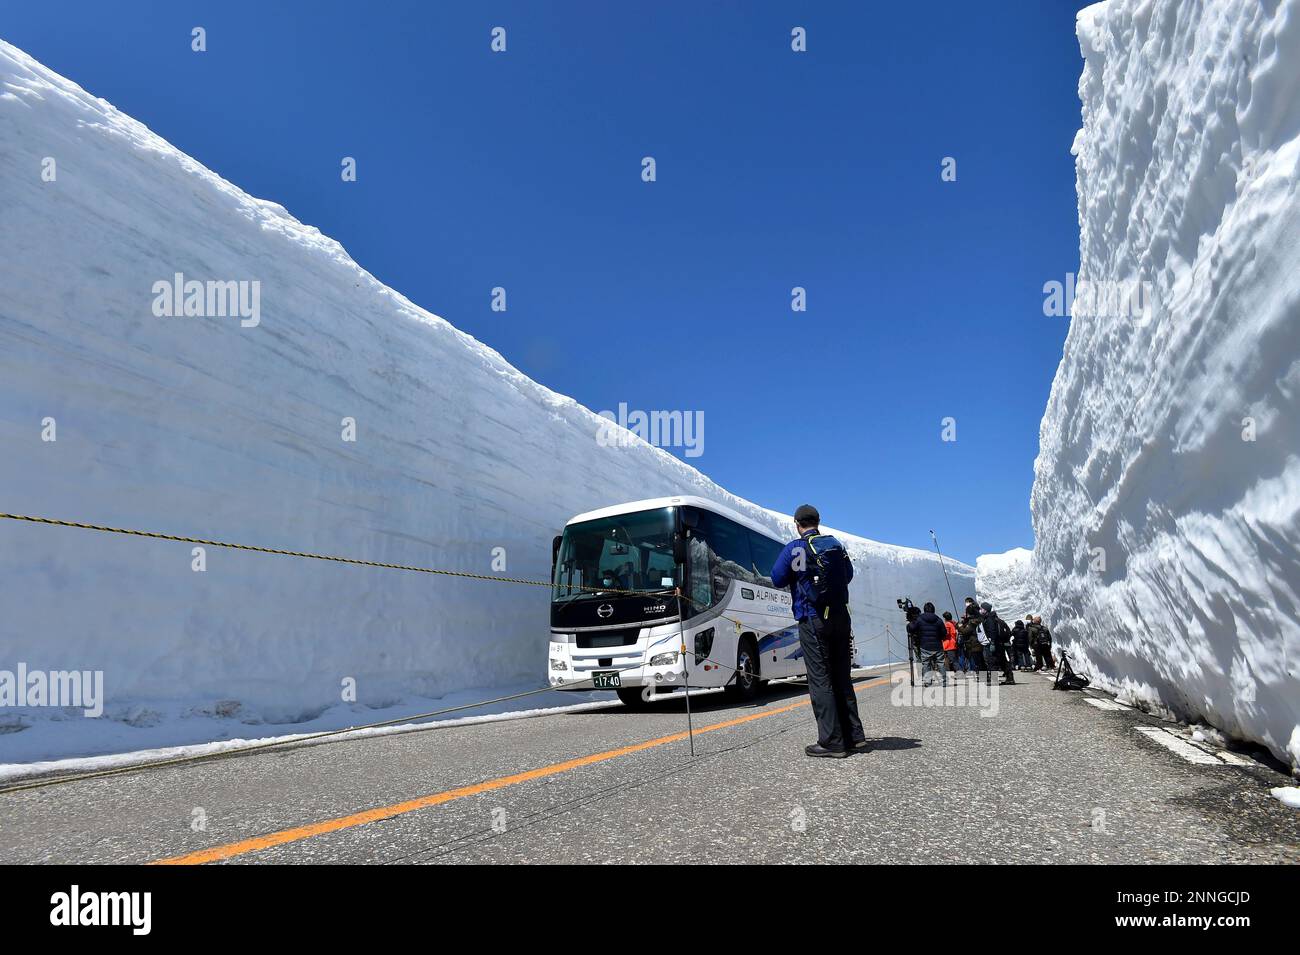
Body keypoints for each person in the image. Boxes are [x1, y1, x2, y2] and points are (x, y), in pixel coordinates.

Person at [771, 504, 865, 759]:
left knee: (820, 678)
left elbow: (777, 578)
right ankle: (854, 736)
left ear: (796, 523)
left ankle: (832, 741)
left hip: (813, 619)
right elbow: (848, 575)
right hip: (840, 617)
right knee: (842, 676)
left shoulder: (796, 548)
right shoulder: (835, 545)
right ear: (818, 521)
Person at [907, 602, 950, 687]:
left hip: (925, 646)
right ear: (933, 610)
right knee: (941, 663)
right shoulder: (938, 619)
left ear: (924, 610)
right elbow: (944, 633)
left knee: (926, 663)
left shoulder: (920, 619)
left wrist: (910, 623)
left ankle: (927, 681)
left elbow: (911, 628)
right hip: (937, 645)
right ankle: (944, 681)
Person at [981, 601, 1015, 685]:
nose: (980, 610)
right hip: (1000, 644)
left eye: (981, 608)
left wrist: (992, 642)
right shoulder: (997, 619)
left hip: (994, 643)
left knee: (992, 661)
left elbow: (992, 631)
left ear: (985, 610)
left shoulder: (989, 619)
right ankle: (1010, 678)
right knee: (1002, 661)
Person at [941, 611, 960, 675]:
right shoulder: (953, 623)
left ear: (945, 618)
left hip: (949, 645)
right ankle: (949, 673)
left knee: (953, 661)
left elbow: (946, 634)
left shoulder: (947, 624)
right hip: (952, 644)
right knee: (950, 660)